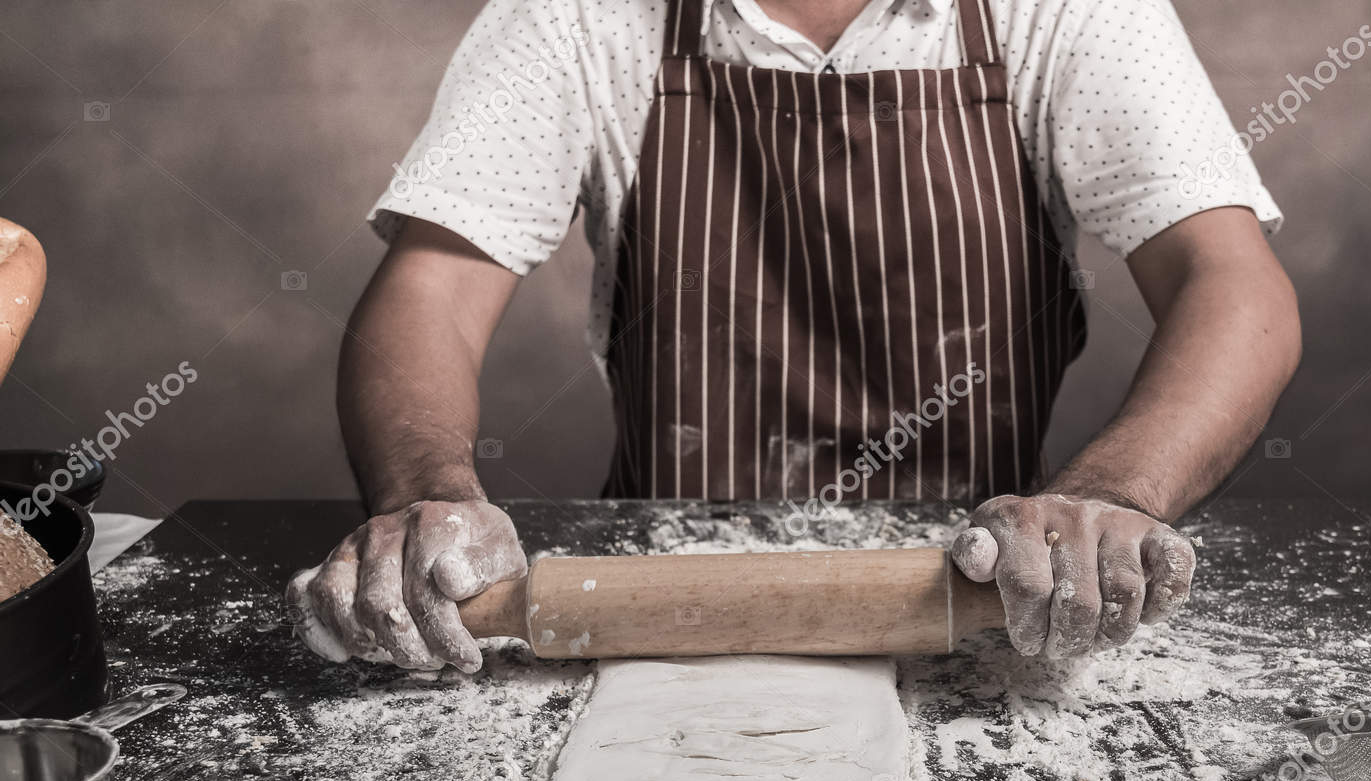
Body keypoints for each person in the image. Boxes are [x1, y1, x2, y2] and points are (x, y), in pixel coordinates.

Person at [289, 0, 1299, 672]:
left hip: (986, 600)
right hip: (655, 600)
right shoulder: (578, 14)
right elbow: (432, 290)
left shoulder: (1064, 9)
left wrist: (1110, 497)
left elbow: (1228, 283)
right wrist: (424, 496)